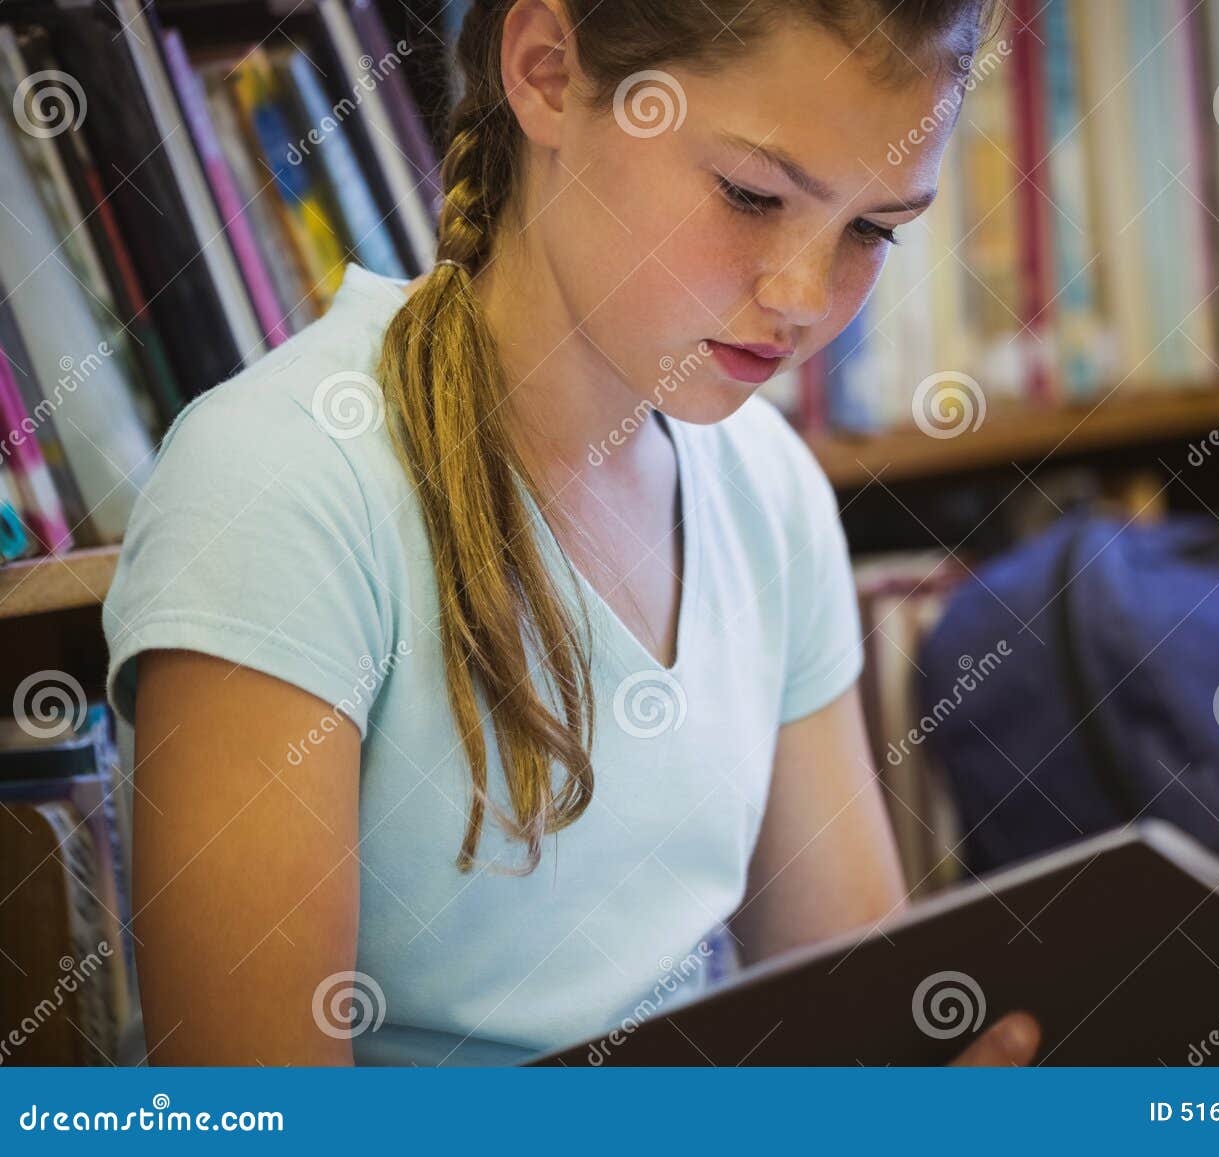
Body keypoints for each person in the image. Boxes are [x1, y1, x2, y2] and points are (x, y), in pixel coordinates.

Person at [103, 0, 1040, 1065]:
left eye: (872, 230)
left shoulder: (769, 488)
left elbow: (859, 1033)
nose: (800, 297)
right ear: (547, 71)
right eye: (749, 194)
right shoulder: (283, 485)